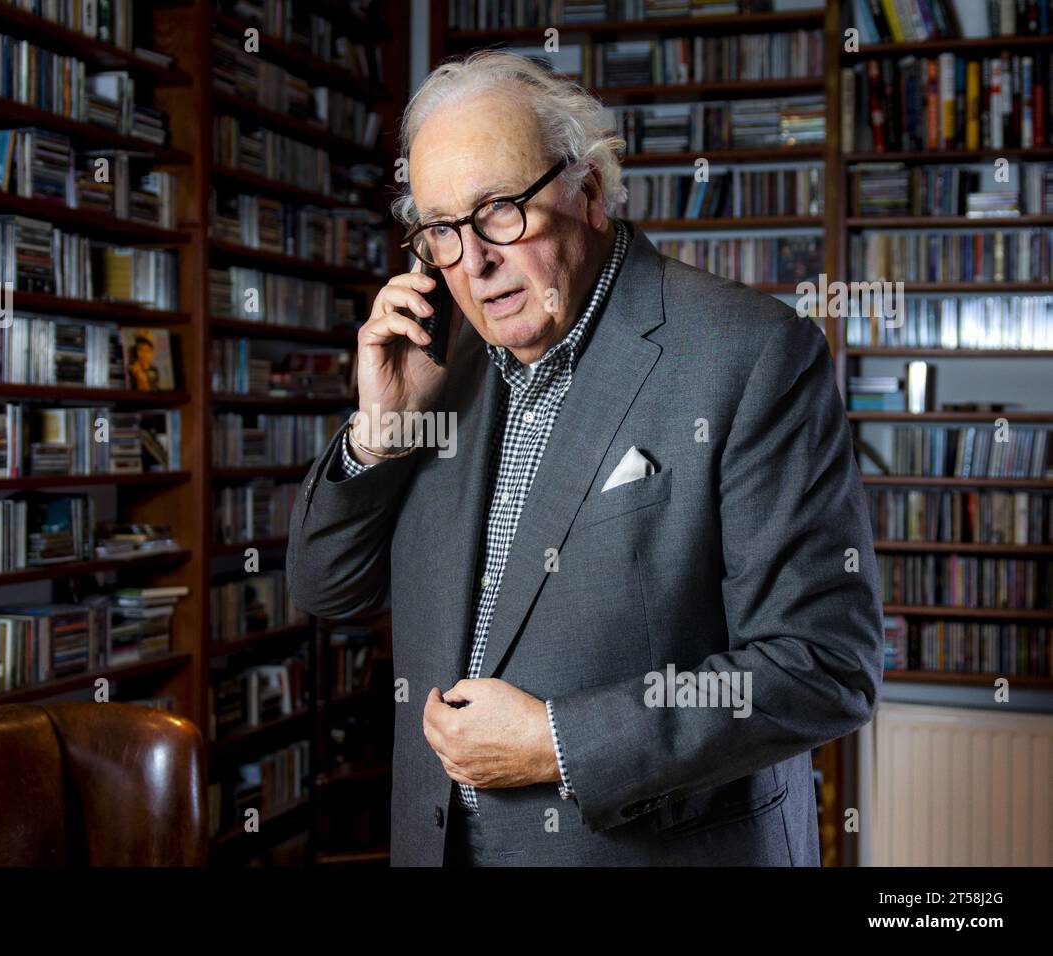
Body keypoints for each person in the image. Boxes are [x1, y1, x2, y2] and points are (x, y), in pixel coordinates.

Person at [286, 51, 883, 866]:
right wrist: (378, 434)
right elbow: (328, 589)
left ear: (591, 190)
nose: (474, 260)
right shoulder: (435, 374)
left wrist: (559, 742)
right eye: (441, 231)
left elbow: (822, 667)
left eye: (499, 210)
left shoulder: (753, 355)